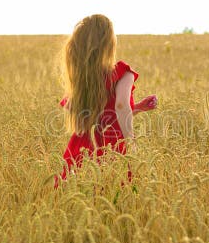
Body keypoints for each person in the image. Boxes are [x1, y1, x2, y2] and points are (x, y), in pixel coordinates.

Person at [53, 14, 157, 188]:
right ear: (109, 43)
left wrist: (136, 108)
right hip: (113, 147)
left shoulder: (80, 80)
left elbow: (96, 116)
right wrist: (130, 141)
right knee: (115, 196)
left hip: (81, 149)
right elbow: (121, 106)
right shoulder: (122, 72)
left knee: (76, 197)